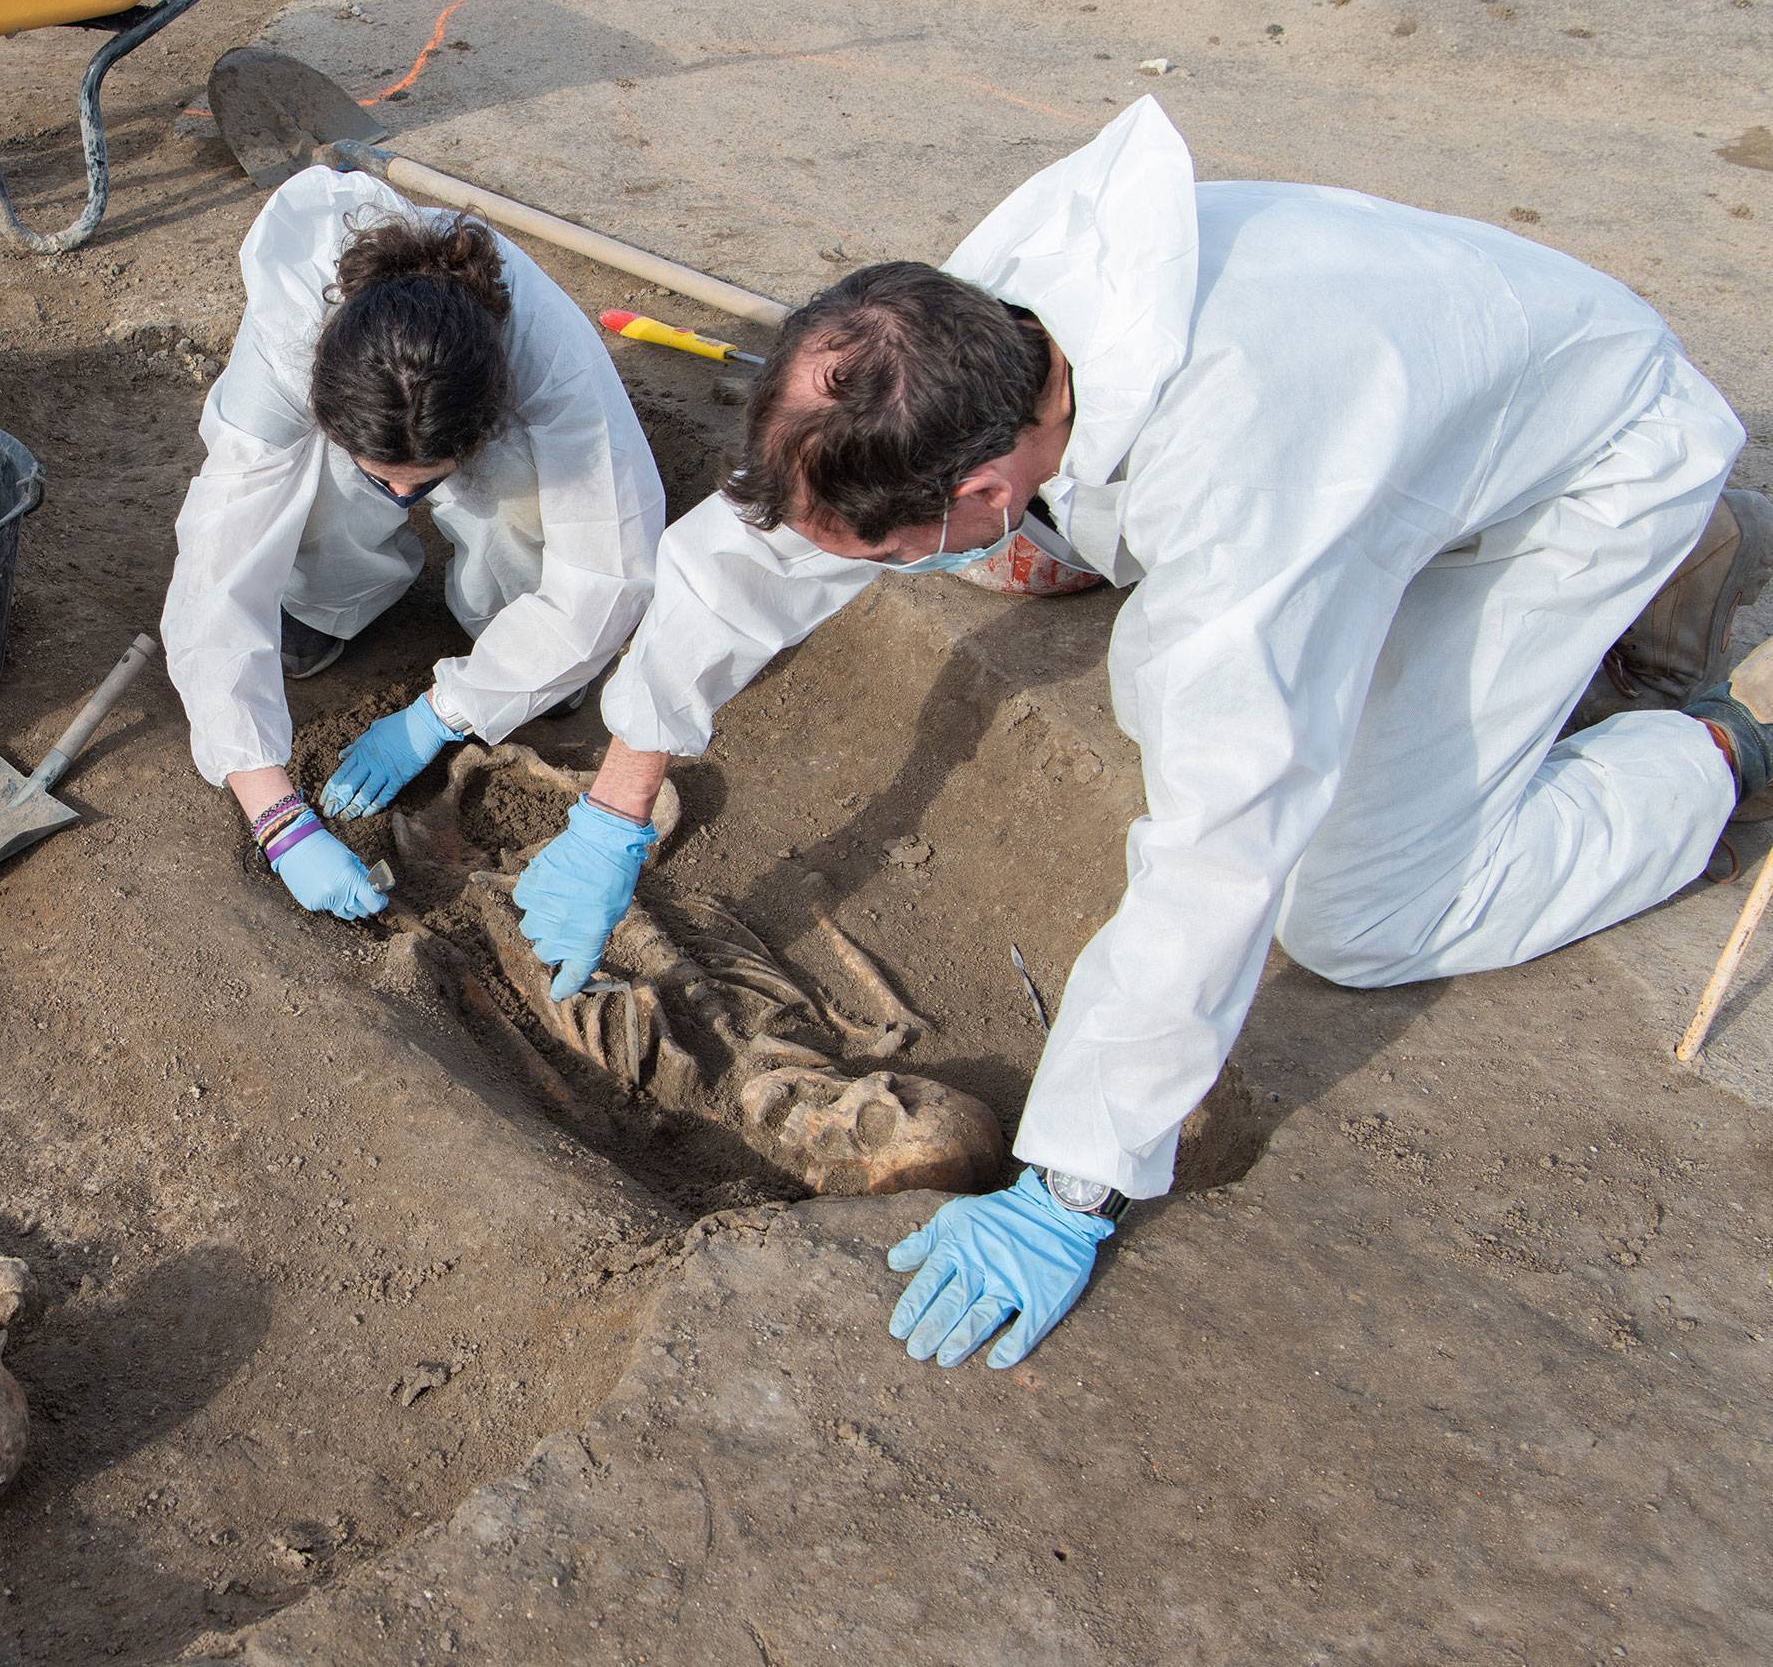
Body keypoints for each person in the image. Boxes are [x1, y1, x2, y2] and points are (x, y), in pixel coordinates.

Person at [508, 99, 1756, 1368]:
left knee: (1358, 909)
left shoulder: (1248, 488)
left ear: (989, 489)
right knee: (1156, 683)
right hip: (1446, 392)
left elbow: (1222, 840)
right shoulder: (959, 335)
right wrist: (616, 802)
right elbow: (766, 548)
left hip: (1585, 471)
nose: (864, 568)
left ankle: (1714, 749)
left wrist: (1073, 1182)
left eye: (889, 552)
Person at [160, 167, 668, 916]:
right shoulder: (288, 342)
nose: (404, 498)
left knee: (529, 495)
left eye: (423, 482)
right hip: (343, 410)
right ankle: (330, 597)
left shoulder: (553, 366)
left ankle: (515, 626)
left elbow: (611, 569)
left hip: (508, 430)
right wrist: (276, 816)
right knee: (311, 483)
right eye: (386, 479)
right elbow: (217, 566)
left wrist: (441, 714)